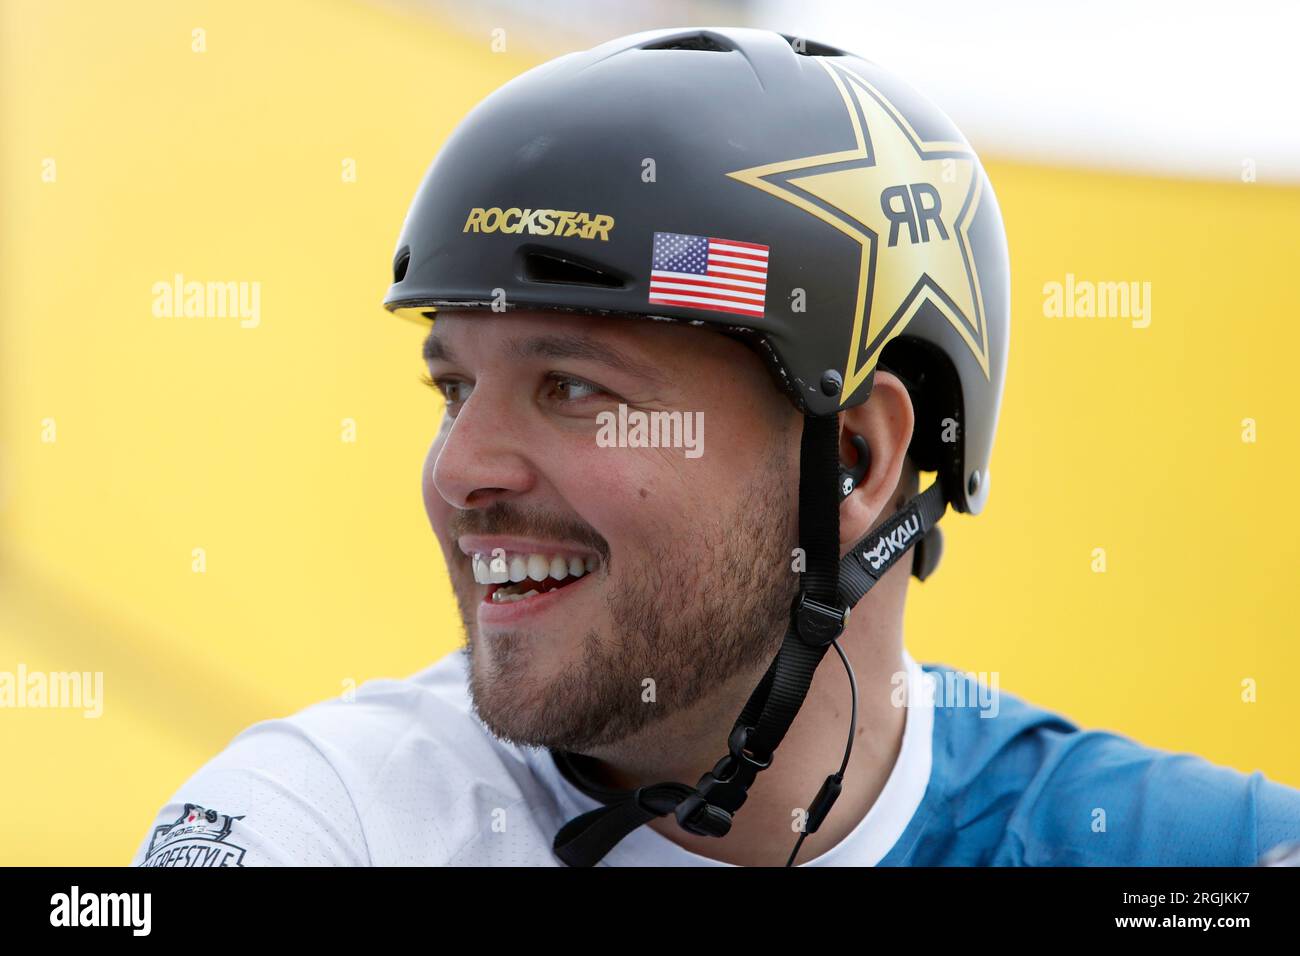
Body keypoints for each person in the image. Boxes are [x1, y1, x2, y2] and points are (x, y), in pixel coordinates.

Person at [130, 27, 1300, 867]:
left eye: (573, 386)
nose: (458, 471)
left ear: (854, 460)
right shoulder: (320, 823)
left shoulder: (1200, 852)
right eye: (451, 386)